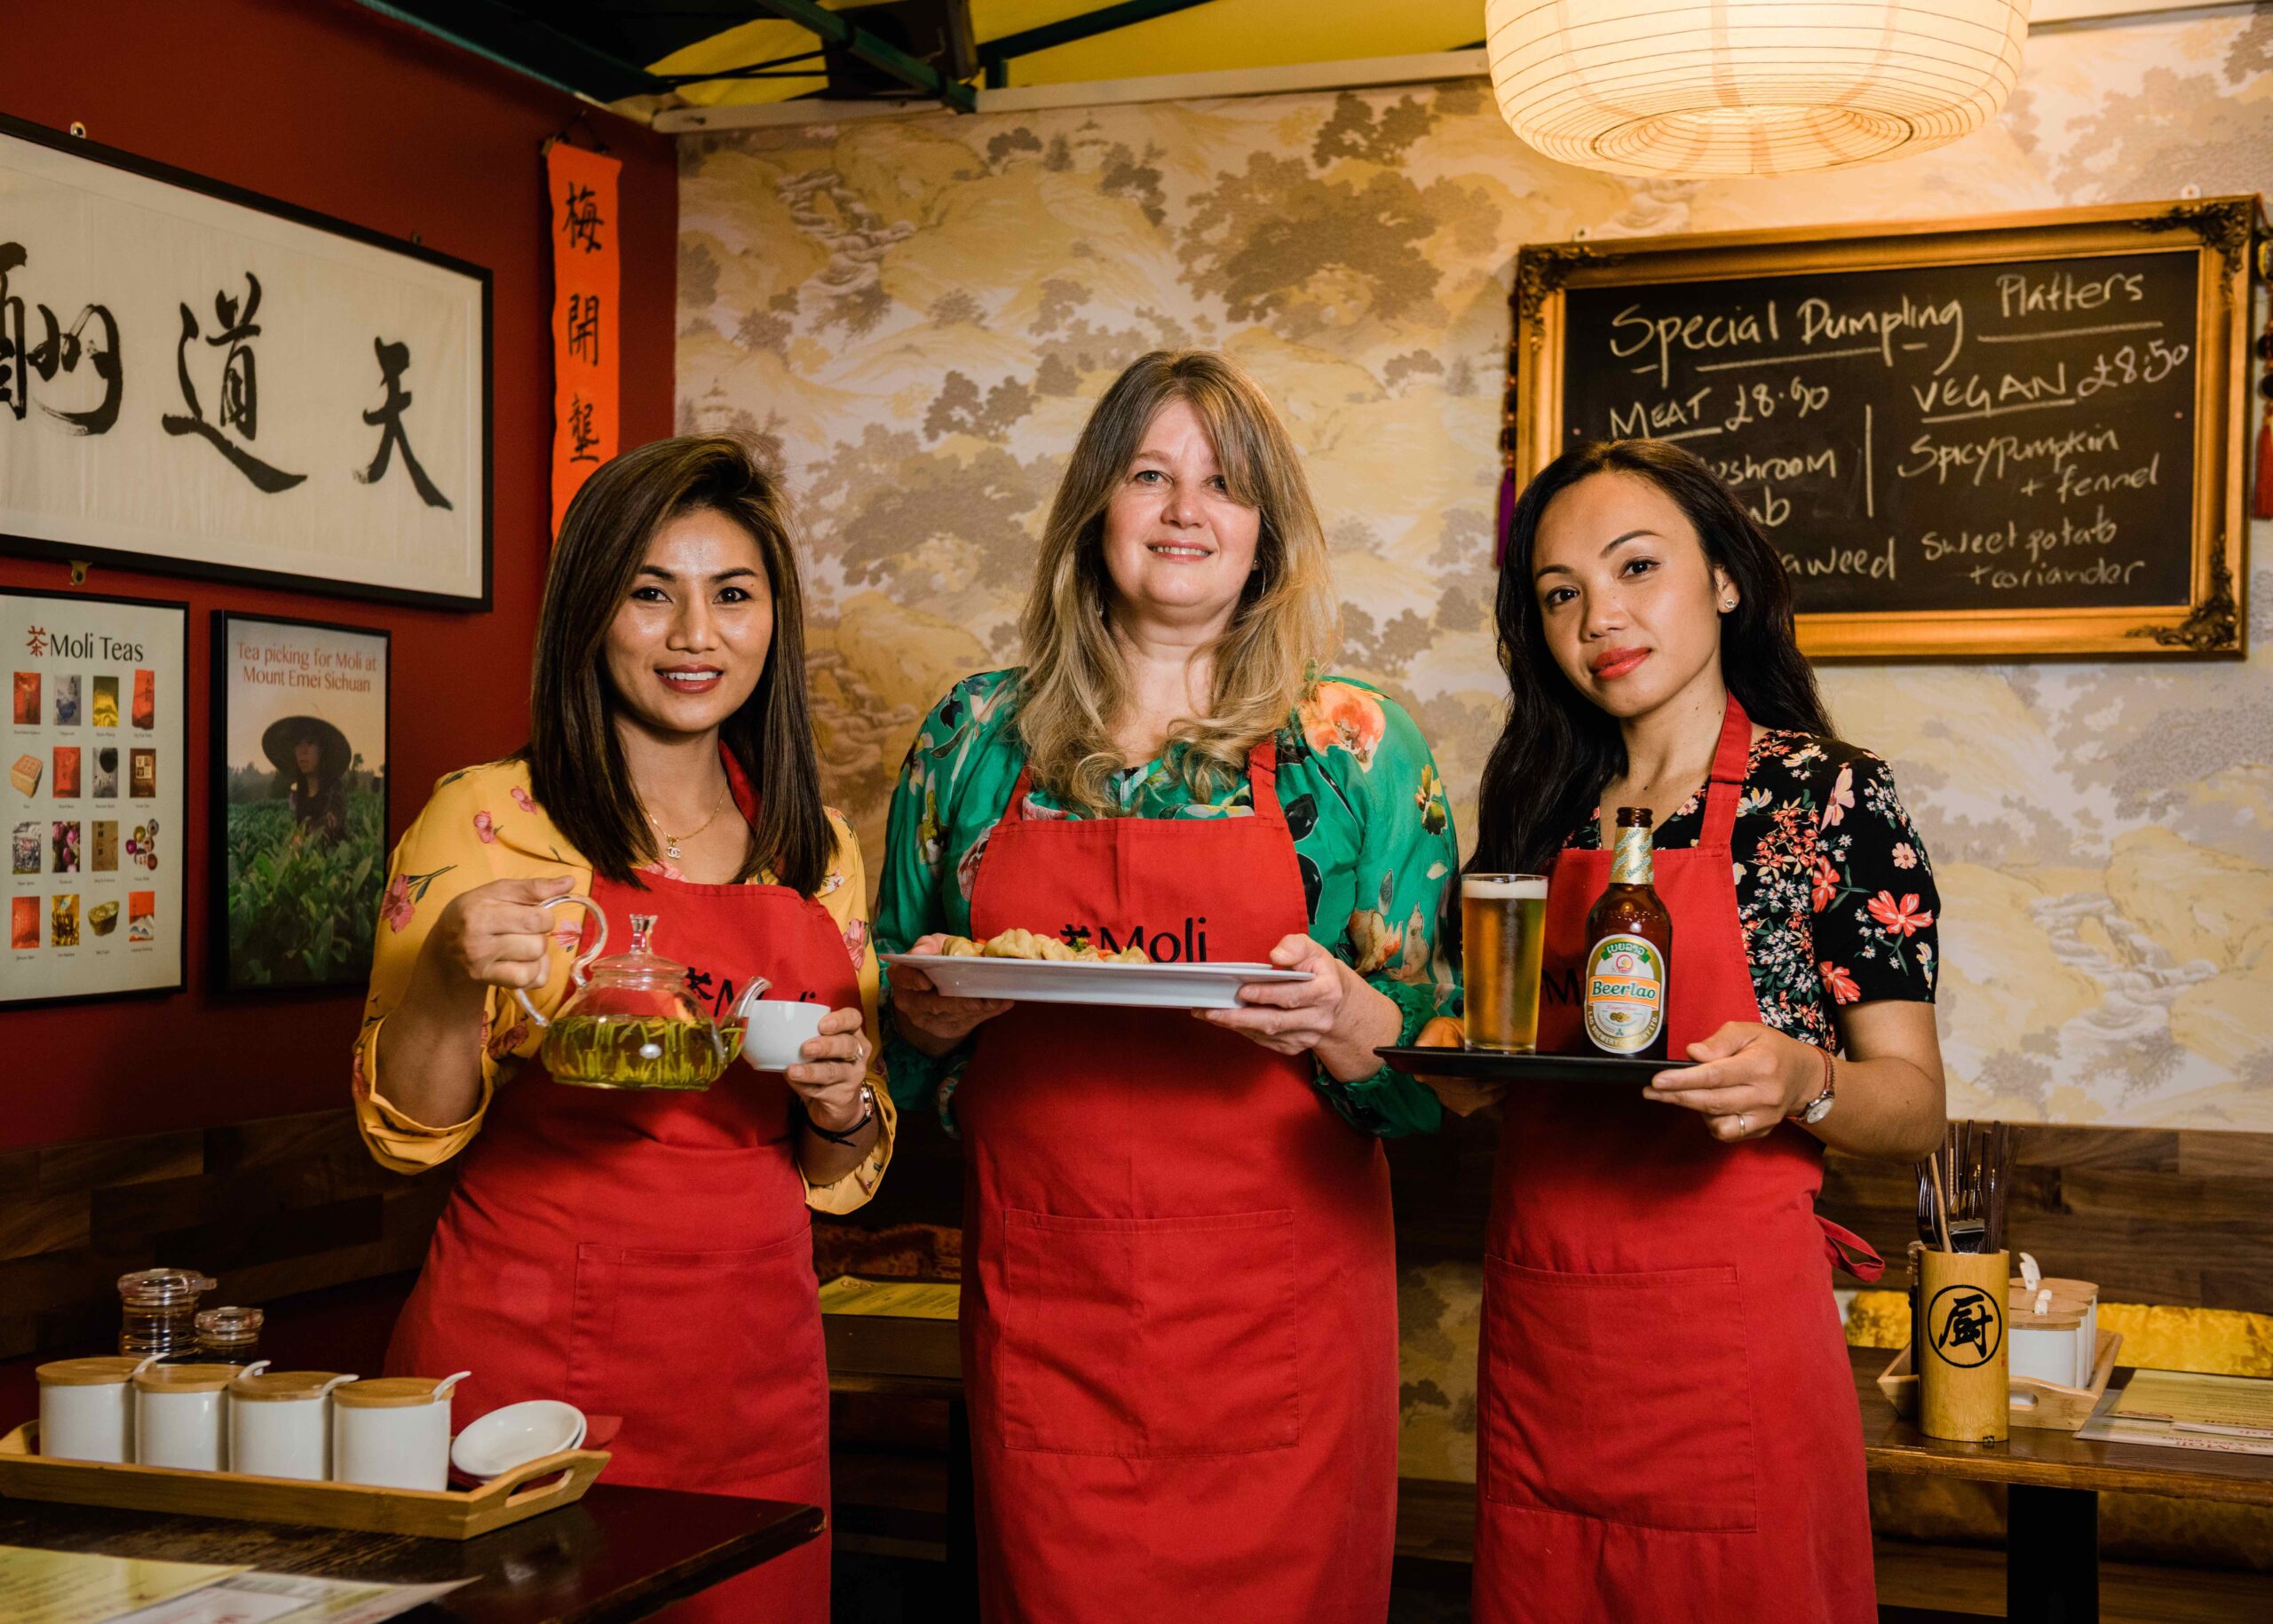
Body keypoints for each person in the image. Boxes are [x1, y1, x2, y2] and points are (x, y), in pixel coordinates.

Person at [878, 350, 1460, 1622]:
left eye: (1224, 483)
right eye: (1149, 474)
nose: (1186, 509)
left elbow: (1438, 1075)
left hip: (1282, 1321)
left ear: (1267, 531)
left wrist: (1351, 1020)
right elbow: (889, 1031)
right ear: (1096, 508)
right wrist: (920, 1017)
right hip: (1052, 1306)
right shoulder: (974, 738)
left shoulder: (1353, 746)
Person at [351, 437, 892, 1624]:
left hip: (754, 1372)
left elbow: (837, 1170)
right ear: (591, 613)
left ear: (773, 619)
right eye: (652, 592)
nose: (695, 634)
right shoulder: (488, 818)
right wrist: (445, 973)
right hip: (529, 1369)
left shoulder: (814, 848)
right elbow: (409, 1135)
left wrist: (842, 1099)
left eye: (732, 595)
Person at [1435, 439, 1946, 1623]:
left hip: (1729, 1354)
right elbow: (1492, 1053)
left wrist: (1804, 1077)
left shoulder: (1824, 800)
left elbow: (1915, 1105)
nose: (1598, 617)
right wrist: (1450, 1059)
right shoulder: (1536, 805)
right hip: (1548, 1345)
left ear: (1723, 578)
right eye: (1558, 593)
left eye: (1635, 567)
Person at [263, 716, 349, 844]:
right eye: (298, 744)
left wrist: (304, 840)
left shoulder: (335, 788)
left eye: (310, 742)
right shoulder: (300, 795)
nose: (302, 751)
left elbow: (331, 821)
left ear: (321, 749)